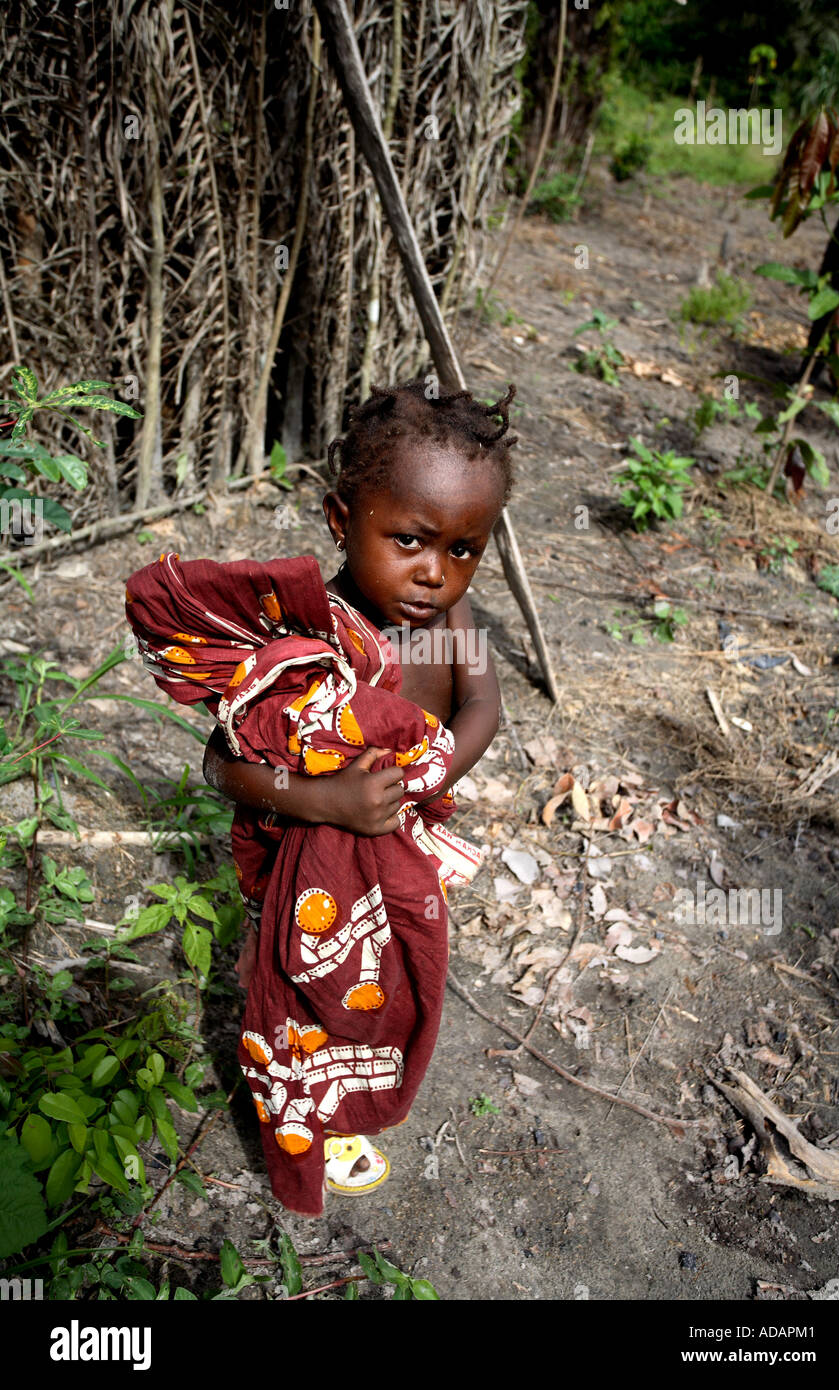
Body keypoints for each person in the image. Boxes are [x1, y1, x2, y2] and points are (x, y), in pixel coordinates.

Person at [125, 377, 516, 1215]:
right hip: (314, 862)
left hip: (404, 847)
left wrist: (433, 773)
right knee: (310, 982)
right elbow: (221, 768)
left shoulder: (454, 621)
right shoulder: (301, 643)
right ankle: (318, 1105)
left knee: (397, 975)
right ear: (343, 520)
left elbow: (484, 706)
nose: (435, 572)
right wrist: (325, 801)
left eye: (463, 549)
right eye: (410, 539)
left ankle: (372, 1078)